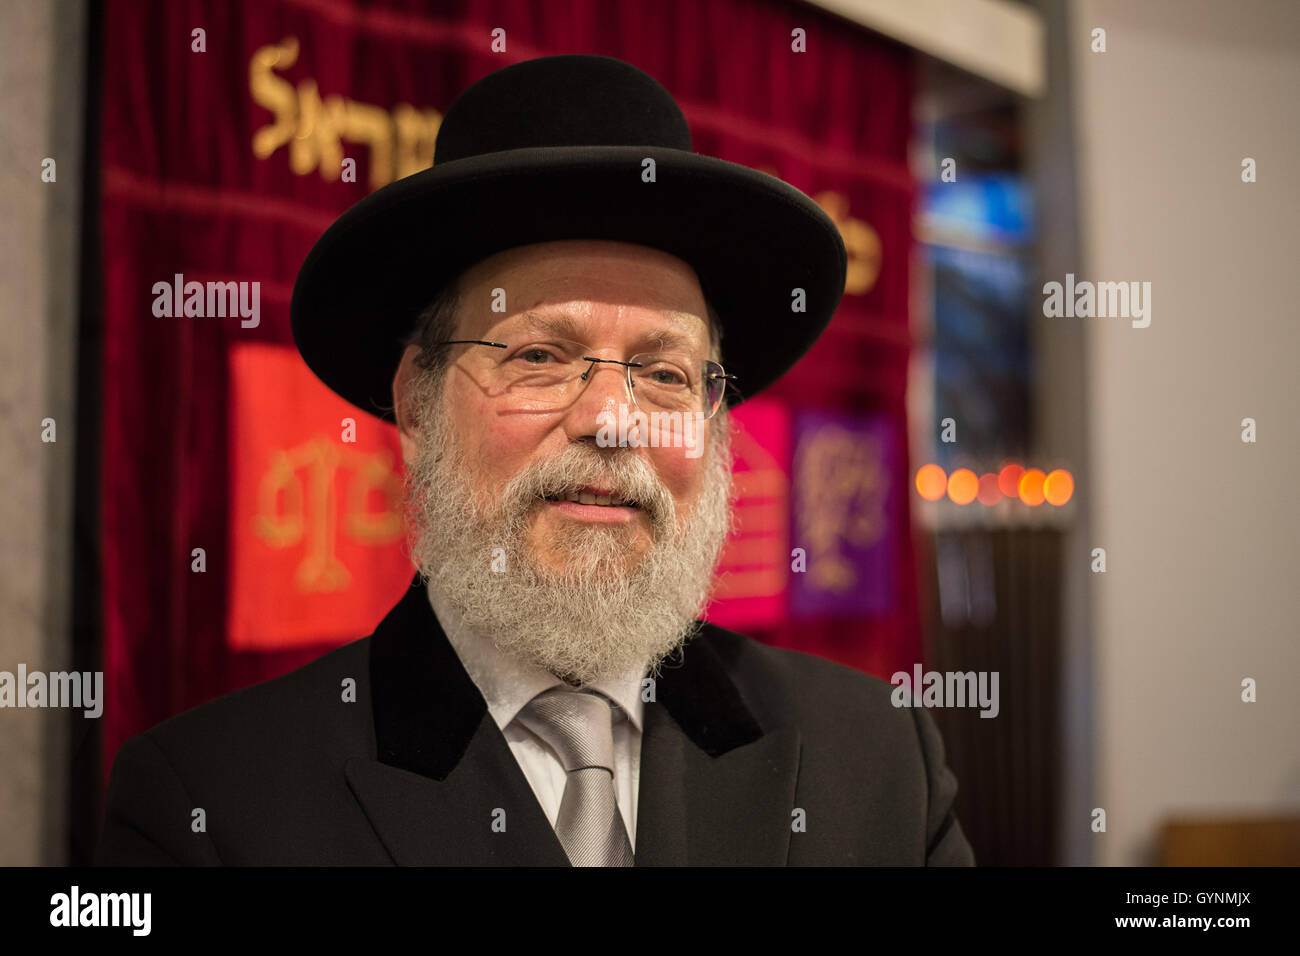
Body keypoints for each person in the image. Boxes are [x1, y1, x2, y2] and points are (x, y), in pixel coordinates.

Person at [95, 54, 974, 866]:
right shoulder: (210, 803)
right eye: (539, 357)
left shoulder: (879, 760)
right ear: (418, 405)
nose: (612, 421)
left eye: (663, 374)